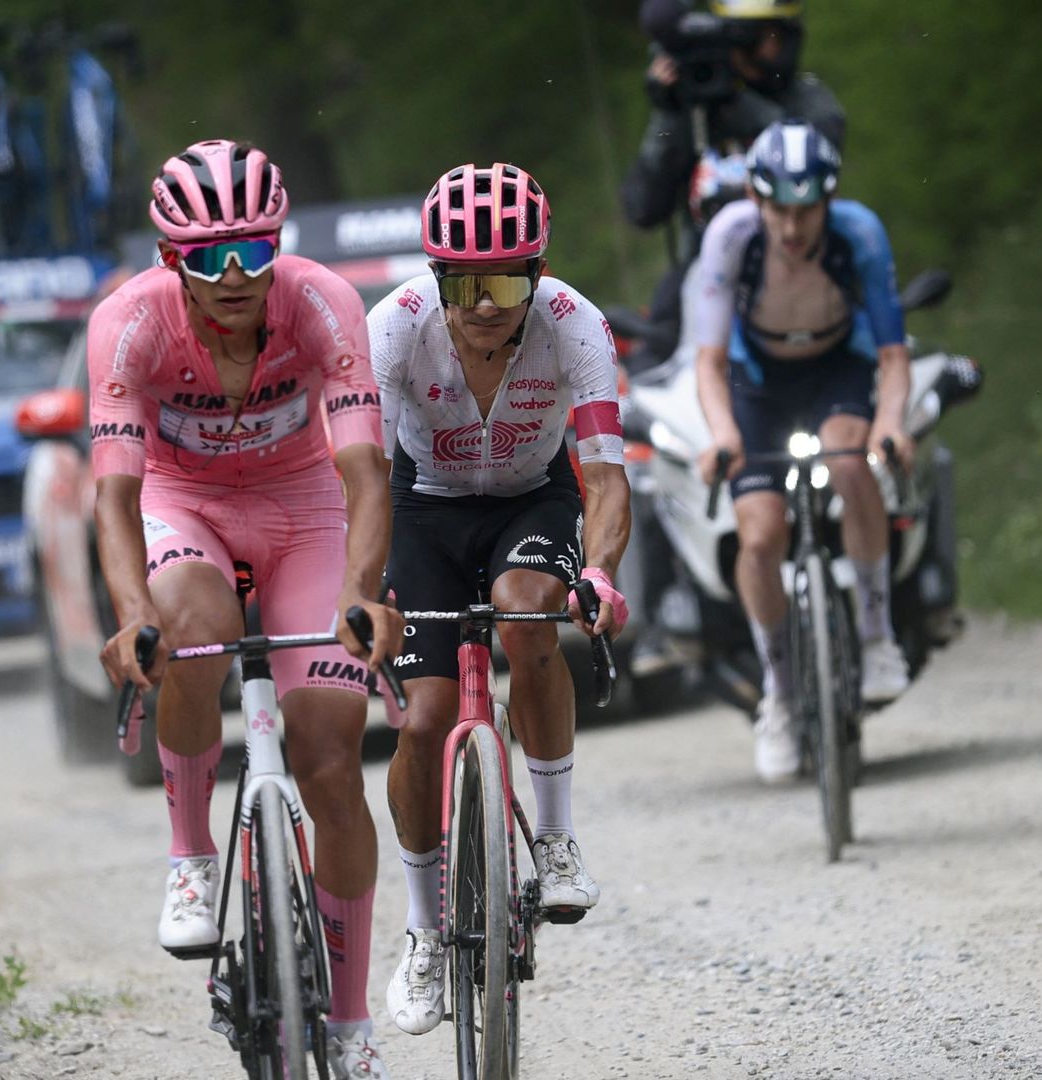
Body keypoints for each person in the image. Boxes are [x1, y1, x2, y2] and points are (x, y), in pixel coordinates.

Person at [89, 138, 405, 1078]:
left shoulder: (321, 302)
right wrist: (127, 613)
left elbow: (364, 472)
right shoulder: (128, 325)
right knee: (188, 633)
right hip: (182, 503)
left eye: (254, 252)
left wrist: (360, 596)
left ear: (280, 246)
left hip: (305, 505)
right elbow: (112, 496)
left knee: (331, 759)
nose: (234, 275)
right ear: (168, 260)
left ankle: (348, 1025)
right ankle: (191, 855)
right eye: (208, 257)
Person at [368, 163, 630, 1037]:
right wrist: (361, 589)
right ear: (437, 277)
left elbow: (603, 478)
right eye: (467, 283)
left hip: (532, 497)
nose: (488, 303)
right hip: (424, 508)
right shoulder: (395, 327)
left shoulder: (575, 325)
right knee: (421, 719)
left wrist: (598, 575)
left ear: (539, 273)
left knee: (528, 619)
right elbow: (359, 474)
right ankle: (423, 930)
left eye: (509, 280)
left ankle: (553, 841)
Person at [688, 119, 912, 783]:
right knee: (760, 536)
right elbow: (706, 361)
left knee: (851, 462)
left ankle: (876, 637)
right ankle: (780, 694)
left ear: (829, 199)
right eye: (778, 210)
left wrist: (890, 426)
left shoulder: (860, 234)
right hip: (755, 381)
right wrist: (723, 435)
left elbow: (894, 354)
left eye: (805, 211)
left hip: (836, 367)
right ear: (756, 201)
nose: (790, 229)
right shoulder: (729, 237)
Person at [622, 0, 846, 341]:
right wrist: (670, 113)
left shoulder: (808, 100)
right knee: (655, 344)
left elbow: (816, 146)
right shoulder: (696, 106)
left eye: (778, 34)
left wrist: (737, 104)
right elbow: (642, 209)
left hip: (805, 265)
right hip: (704, 275)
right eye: (761, 35)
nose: (773, 46)